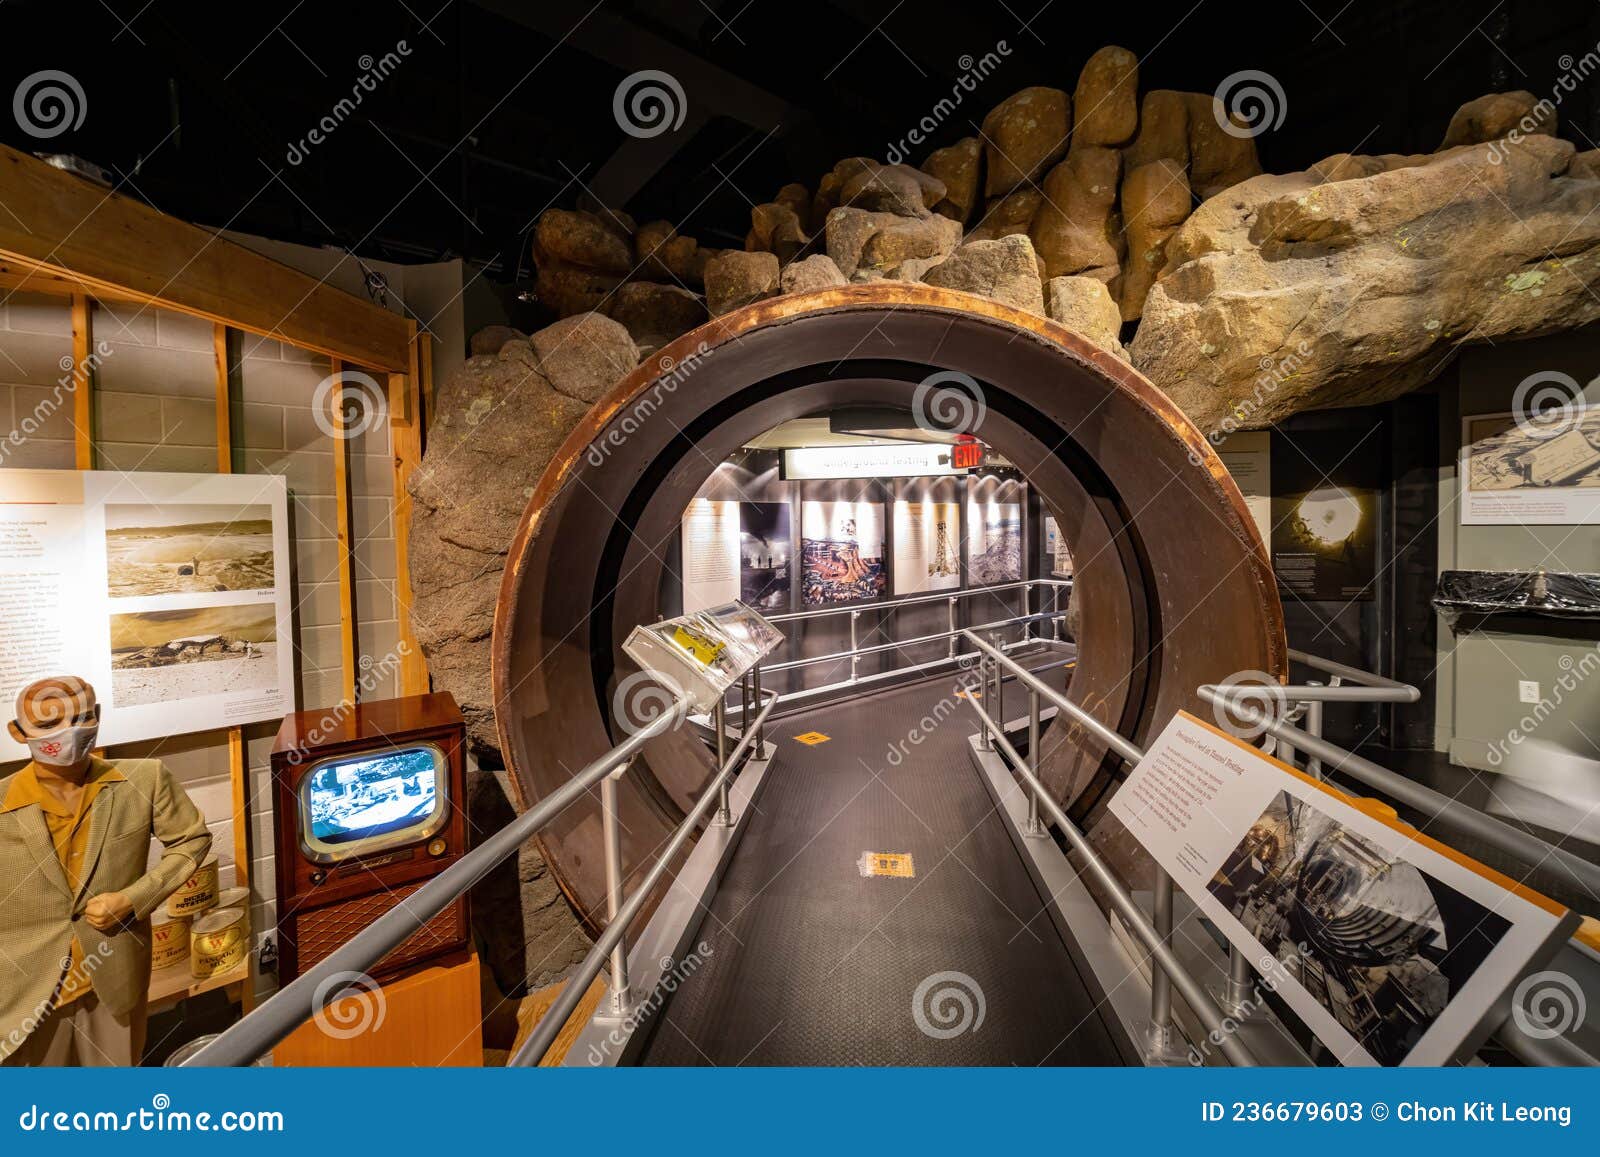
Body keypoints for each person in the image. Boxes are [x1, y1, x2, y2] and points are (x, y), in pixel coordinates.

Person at [0, 676, 212, 1066]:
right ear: (17, 732)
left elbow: (191, 840)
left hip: (112, 983)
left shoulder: (144, 780)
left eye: (83, 718)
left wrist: (134, 898)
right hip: (22, 997)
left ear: (98, 717)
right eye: (49, 724)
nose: (70, 733)